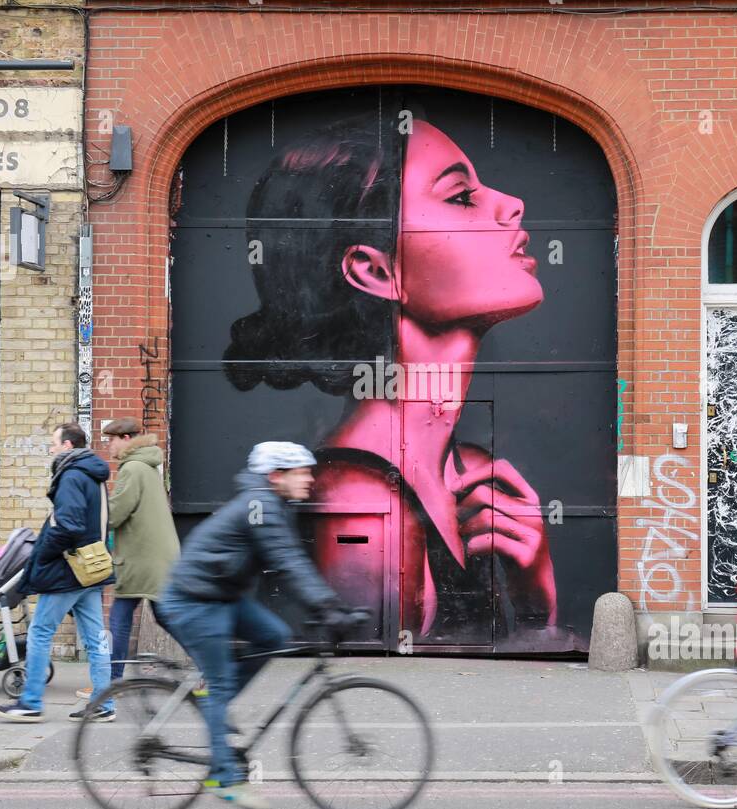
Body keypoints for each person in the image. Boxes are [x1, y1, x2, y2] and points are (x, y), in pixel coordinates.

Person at [225, 116, 557, 647]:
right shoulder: (360, 495)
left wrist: (535, 592)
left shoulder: (467, 472)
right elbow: (358, 656)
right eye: (461, 197)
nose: (510, 203)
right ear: (375, 271)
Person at [156, 441, 350, 809]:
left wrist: (332, 605)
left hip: (221, 595)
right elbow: (286, 559)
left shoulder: (271, 504)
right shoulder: (259, 505)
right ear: (277, 475)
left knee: (273, 635)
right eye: (302, 472)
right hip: (195, 600)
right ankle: (223, 777)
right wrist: (328, 606)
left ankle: (214, 700)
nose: (310, 478)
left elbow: (290, 560)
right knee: (220, 681)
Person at [0, 423, 116, 723]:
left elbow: (69, 525)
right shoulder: (93, 474)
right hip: (91, 568)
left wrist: (43, 553)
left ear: (68, 446)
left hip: (68, 569)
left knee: (40, 631)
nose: (50, 448)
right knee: (95, 637)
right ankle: (104, 703)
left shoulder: (72, 475)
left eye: (54, 443)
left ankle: (31, 701)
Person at [74, 418, 180, 701]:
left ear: (126, 438)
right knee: (165, 616)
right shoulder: (147, 465)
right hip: (152, 558)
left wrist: (87, 512)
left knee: (120, 619)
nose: (108, 446)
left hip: (141, 560)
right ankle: (208, 666)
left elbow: (116, 512)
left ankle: (112, 683)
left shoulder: (132, 469)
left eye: (111, 440)